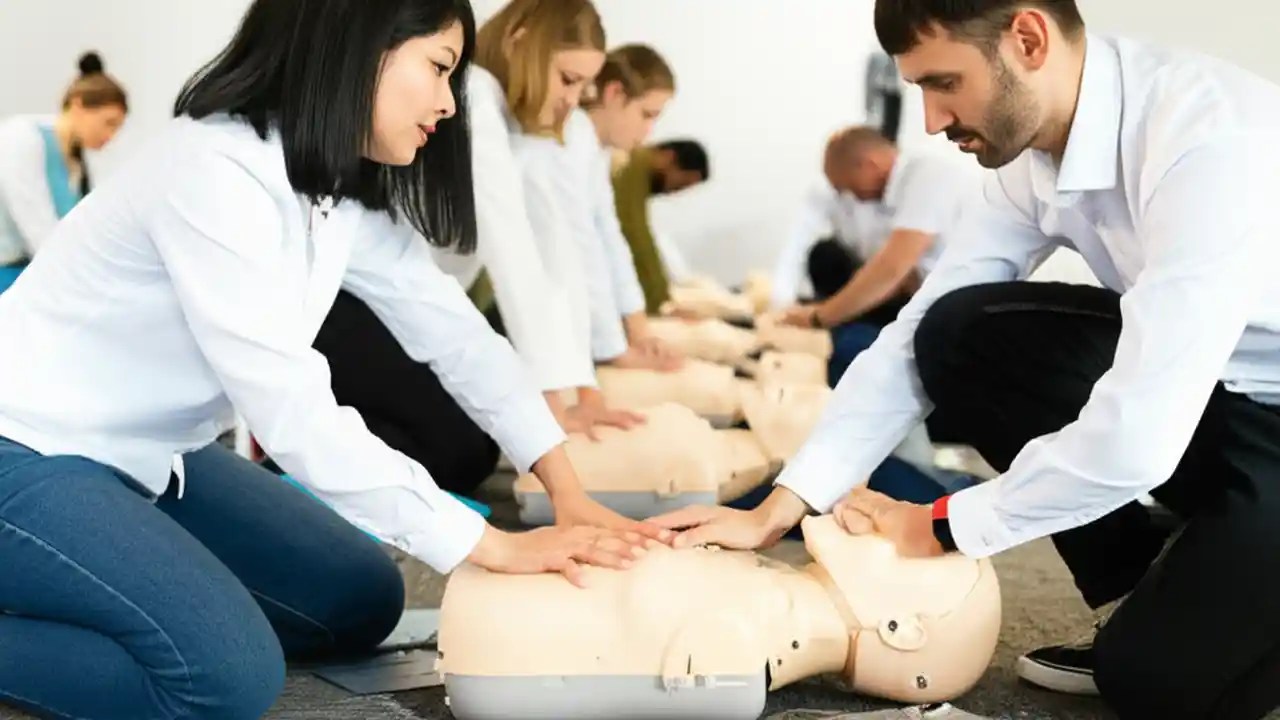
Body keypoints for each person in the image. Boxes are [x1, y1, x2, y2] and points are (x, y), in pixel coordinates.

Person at [0, 1, 668, 718]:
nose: (449, 102)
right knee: (225, 678)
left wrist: (565, 487)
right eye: (439, 68)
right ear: (361, 48)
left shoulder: (331, 188)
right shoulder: (214, 169)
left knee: (362, 596)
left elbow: (455, 331)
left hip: (155, 456)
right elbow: (291, 409)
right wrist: (491, 545)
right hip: (31, 448)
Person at [650, 1, 1280, 718]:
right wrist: (780, 506)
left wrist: (942, 523)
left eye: (943, 83)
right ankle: (1144, 586)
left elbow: (1139, 434)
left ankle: (1201, 598)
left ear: (1028, 39)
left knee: (1158, 686)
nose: (930, 121)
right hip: (1220, 394)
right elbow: (915, 334)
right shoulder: (1030, 164)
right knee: (957, 332)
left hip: (1256, 411)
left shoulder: (1208, 139)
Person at [438, 0, 645, 437]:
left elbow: (559, 249)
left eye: (582, 86)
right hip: (376, 305)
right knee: (464, 442)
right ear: (520, 42)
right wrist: (554, 400)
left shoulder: (517, 122)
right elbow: (510, 245)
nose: (573, 100)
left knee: (475, 438)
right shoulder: (475, 95)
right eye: (568, 80)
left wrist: (584, 387)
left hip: (427, 303)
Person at [778, 126, 978, 384]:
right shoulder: (893, 195)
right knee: (825, 258)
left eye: (849, 187)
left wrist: (820, 316)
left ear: (869, 165)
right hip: (915, 299)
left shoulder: (927, 172)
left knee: (849, 352)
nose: (852, 197)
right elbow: (893, 272)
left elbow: (892, 268)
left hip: (951, 316)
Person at [572, 43, 687, 370]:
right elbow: (586, 250)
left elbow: (612, 241)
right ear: (614, 94)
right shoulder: (572, 145)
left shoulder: (597, 152)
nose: (649, 131)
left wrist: (639, 329)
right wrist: (614, 348)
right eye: (646, 115)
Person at [0, 52, 127, 293]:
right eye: (109, 123)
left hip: (30, 275)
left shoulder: (78, 163)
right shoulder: (21, 138)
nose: (111, 136)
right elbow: (37, 229)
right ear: (78, 105)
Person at [612, 138, 710, 314]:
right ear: (667, 156)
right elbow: (635, 236)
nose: (672, 192)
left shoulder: (633, 166)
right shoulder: (633, 165)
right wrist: (661, 303)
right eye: (679, 185)